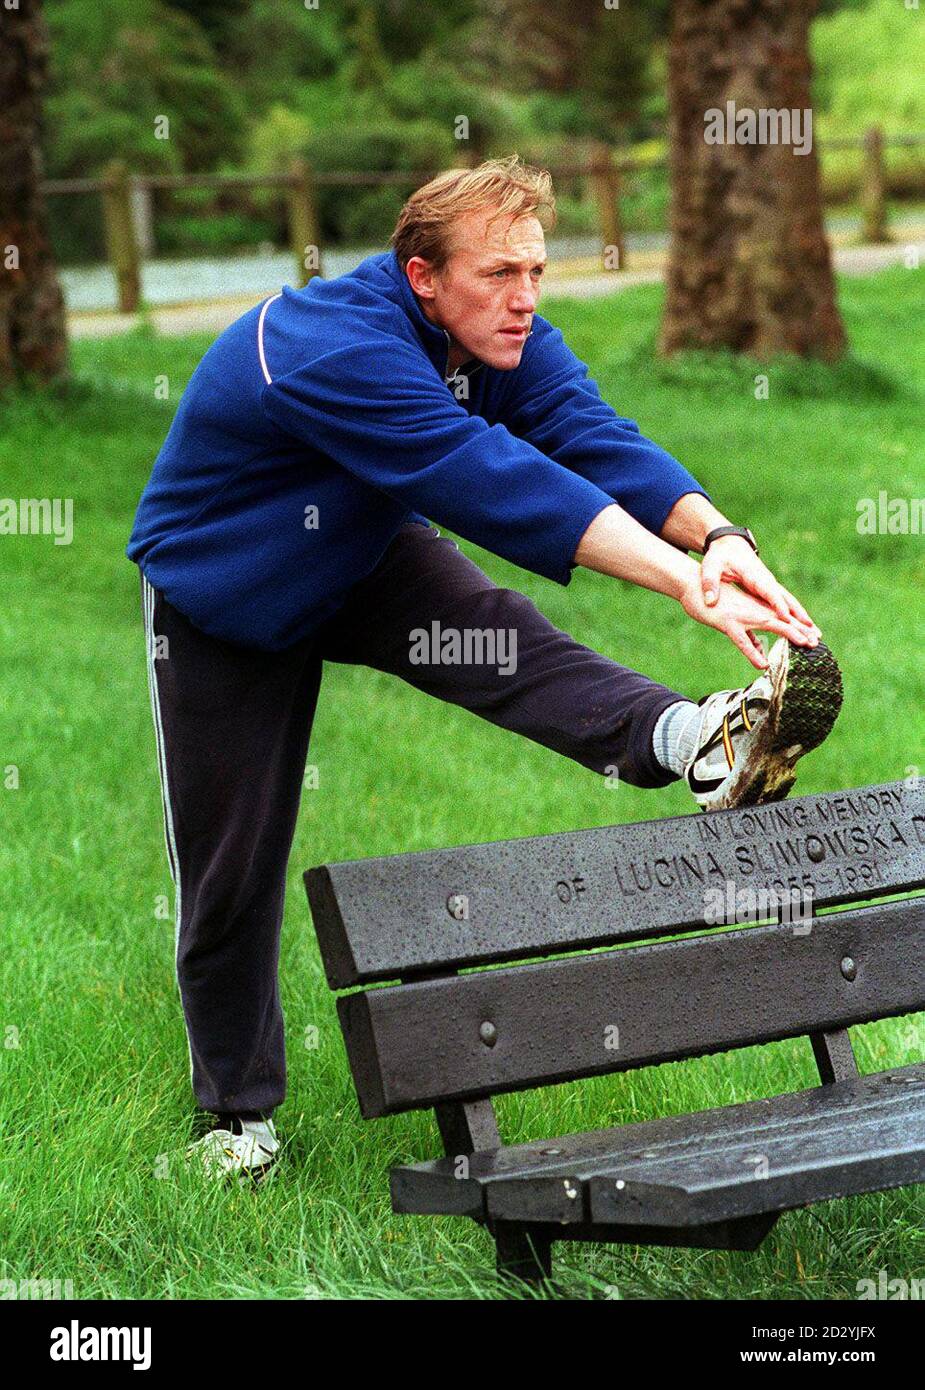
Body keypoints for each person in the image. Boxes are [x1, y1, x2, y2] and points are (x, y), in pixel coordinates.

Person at [125, 155, 842, 1181]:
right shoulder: (328, 344)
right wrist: (678, 580)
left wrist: (715, 533)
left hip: (361, 550)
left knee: (503, 640)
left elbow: (588, 434)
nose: (525, 298)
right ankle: (236, 1123)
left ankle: (700, 743)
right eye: (500, 274)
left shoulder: (501, 332)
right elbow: (482, 474)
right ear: (423, 277)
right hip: (225, 594)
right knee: (231, 863)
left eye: (538, 272)